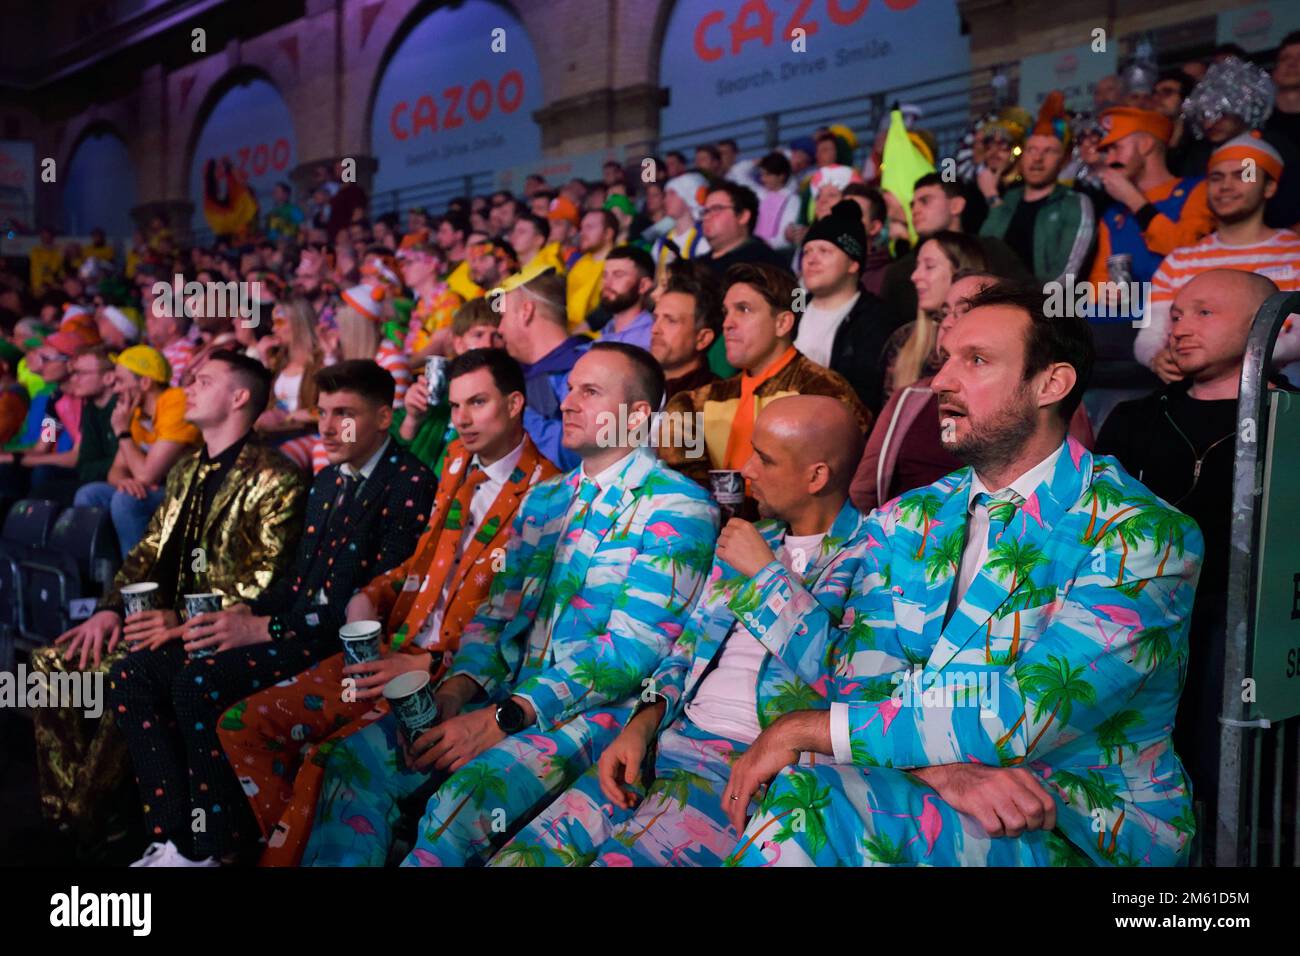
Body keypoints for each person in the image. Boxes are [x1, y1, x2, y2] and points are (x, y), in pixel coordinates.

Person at [724, 282, 1202, 867]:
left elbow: (1023, 710)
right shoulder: (908, 515)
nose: (943, 381)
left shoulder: (1143, 533)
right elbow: (860, 675)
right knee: (806, 801)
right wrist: (942, 770)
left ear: (1051, 384)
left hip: (1075, 824)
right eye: (946, 358)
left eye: (975, 361)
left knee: (810, 806)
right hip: (928, 792)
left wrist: (802, 729)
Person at [302, 343, 720, 867]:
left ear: (637, 415)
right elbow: (494, 620)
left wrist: (501, 718)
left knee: (462, 802)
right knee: (353, 761)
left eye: (590, 392)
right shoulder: (544, 499)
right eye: (570, 389)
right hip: (503, 695)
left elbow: (631, 653)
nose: (568, 403)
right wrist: (454, 695)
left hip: (595, 715)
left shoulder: (679, 504)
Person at [494, 395, 872, 866]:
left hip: (746, 768)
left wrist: (766, 578)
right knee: (520, 857)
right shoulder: (752, 538)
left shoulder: (870, 555)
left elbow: (851, 683)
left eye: (765, 458)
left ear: (817, 476)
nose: (746, 469)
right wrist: (642, 724)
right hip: (669, 741)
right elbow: (685, 650)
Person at [221, 349, 558, 865]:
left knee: (331, 761)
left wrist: (430, 664)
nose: (462, 418)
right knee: (245, 723)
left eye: (478, 402)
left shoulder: (551, 492)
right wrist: (370, 594)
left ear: (515, 404)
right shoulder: (454, 462)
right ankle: (284, 848)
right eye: (456, 404)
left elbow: (513, 624)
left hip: (454, 676)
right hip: (393, 644)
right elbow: (418, 562)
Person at [112, 359, 435, 867]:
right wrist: (241, 612)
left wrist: (263, 626)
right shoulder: (328, 481)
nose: (328, 427)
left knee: (198, 683)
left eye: (344, 413)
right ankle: (177, 838)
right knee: (136, 672)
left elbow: (375, 616)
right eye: (322, 412)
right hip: (288, 631)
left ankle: (219, 850)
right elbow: (297, 583)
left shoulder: (410, 484)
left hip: (336, 650)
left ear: (383, 419)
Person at [29, 351, 307, 859]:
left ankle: (90, 823)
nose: (189, 388)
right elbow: (147, 552)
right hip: (153, 621)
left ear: (240, 397)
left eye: (203, 380)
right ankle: (73, 816)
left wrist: (181, 620)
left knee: (124, 673)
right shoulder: (186, 471)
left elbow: (265, 582)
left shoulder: (277, 477)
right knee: (51, 665)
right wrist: (109, 609)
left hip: (211, 633)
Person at [1096, 269, 1282, 815]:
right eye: (1175, 314)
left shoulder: (1289, 418)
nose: (1180, 327)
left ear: (1261, 327)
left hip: (1243, 630)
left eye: (1204, 312)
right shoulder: (1137, 416)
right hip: (1137, 622)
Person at [661, 263, 870, 493]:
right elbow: (686, 492)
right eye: (726, 312)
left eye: (744, 309)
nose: (727, 323)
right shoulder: (694, 405)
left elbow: (848, 483)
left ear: (783, 323)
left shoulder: (824, 392)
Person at [1136, 134, 1300, 377]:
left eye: (1242, 175)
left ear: (1269, 186)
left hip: (1279, 388)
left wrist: (1237, 356)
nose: (1225, 186)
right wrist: (1155, 358)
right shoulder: (1179, 260)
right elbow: (1149, 336)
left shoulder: (1294, 253)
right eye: (1216, 177)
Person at [74, 345, 201, 557]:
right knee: (89, 494)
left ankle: (139, 581)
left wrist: (122, 432)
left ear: (145, 382)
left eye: (121, 381)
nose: (115, 390)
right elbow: (115, 470)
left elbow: (147, 475)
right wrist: (124, 482)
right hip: (155, 488)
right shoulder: (136, 411)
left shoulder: (175, 401)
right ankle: (104, 576)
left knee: (126, 501)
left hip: (187, 491)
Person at [879, 173, 1029, 328]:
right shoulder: (898, 272)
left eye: (925, 201)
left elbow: (1025, 297)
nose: (915, 210)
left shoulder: (992, 250)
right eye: (912, 205)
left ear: (956, 205)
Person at [979, 91, 1096, 284]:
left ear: (1063, 161)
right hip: (999, 303)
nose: (1038, 158)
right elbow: (983, 254)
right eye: (1032, 150)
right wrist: (992, 197)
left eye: (1049, 151)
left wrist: (1024, 300)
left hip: (1045, 308)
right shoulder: (1008, 200)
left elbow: (1066, 274)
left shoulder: (1074, 203)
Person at [795, 199, 896, 414]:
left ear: (853, 263)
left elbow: (866, 401)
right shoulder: (792, 309)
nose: (811, 260)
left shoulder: (876, 319)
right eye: (807, 251)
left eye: (824, 251)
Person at [497, 269, 590, 472]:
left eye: (503, 316)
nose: (499, 329)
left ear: (526, 312)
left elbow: (580, 455)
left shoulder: (585, 367)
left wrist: (514, 412)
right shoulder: (516, 376)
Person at [882, 231, 988, 401]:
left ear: (961, 273)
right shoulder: (904, 338)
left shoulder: (985, 340)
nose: (914, 276)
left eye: (929, 266)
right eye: (917, 266)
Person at [651, 260, 722, 399]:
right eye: (655, 319)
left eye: (671, 321)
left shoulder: (716, 400)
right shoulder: (635, 384)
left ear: (703, 338)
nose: (655, 329)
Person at [700, 182, 788, 276]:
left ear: (743, 216)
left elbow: (795, 291)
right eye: (705, 211)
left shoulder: (765, 263)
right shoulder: (696, 266)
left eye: (716, 209)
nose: (706, 217)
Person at [566, 210, 618, 331]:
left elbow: (610, 306)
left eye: (590, 227)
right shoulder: (580, 262)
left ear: (608, 234)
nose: (582, 233)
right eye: (582, 228)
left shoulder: (620, 263)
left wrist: (577, 332)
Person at [651, 173, 711, 274]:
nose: (665, 200)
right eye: (666, 195)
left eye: (672, 194)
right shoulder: (660, 242)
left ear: (688, 196)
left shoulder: (705, 238)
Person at [597, 246, 655, 350]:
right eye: (604, 275)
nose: (607, 283)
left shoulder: (653, 336)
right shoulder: (604, 334)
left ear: (644, 285)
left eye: (618, 275)